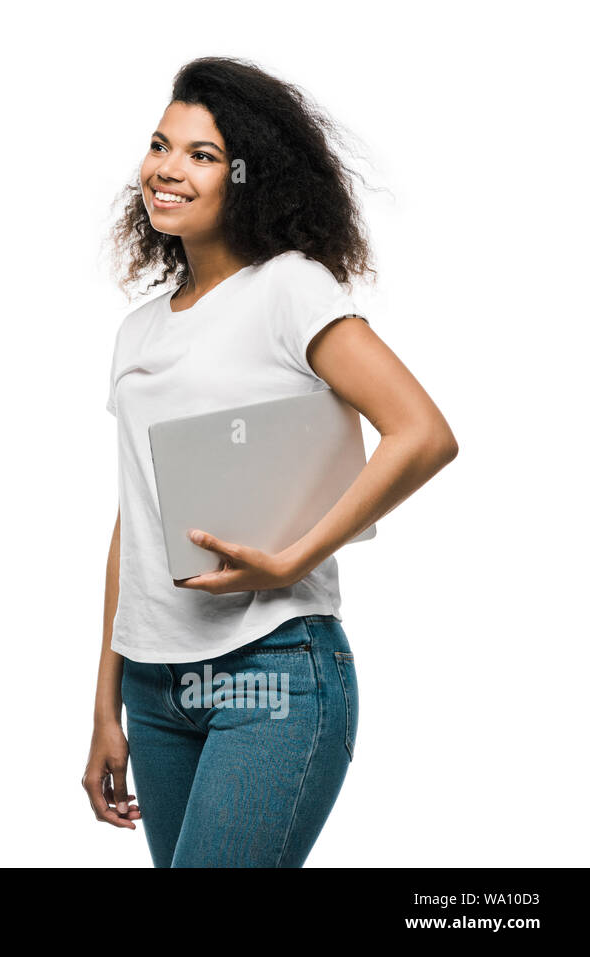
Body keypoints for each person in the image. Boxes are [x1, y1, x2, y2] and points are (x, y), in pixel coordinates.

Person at [82, 57, 459, 867]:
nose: (167, 169)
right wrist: (105, 704)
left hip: (273, 672)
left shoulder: (290, 289)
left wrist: (294, 557)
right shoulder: (136, 333)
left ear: (249, 178)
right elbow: (133, 519)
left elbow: (422, 432)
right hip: (154, 691)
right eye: (159, 145)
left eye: (202, 154)